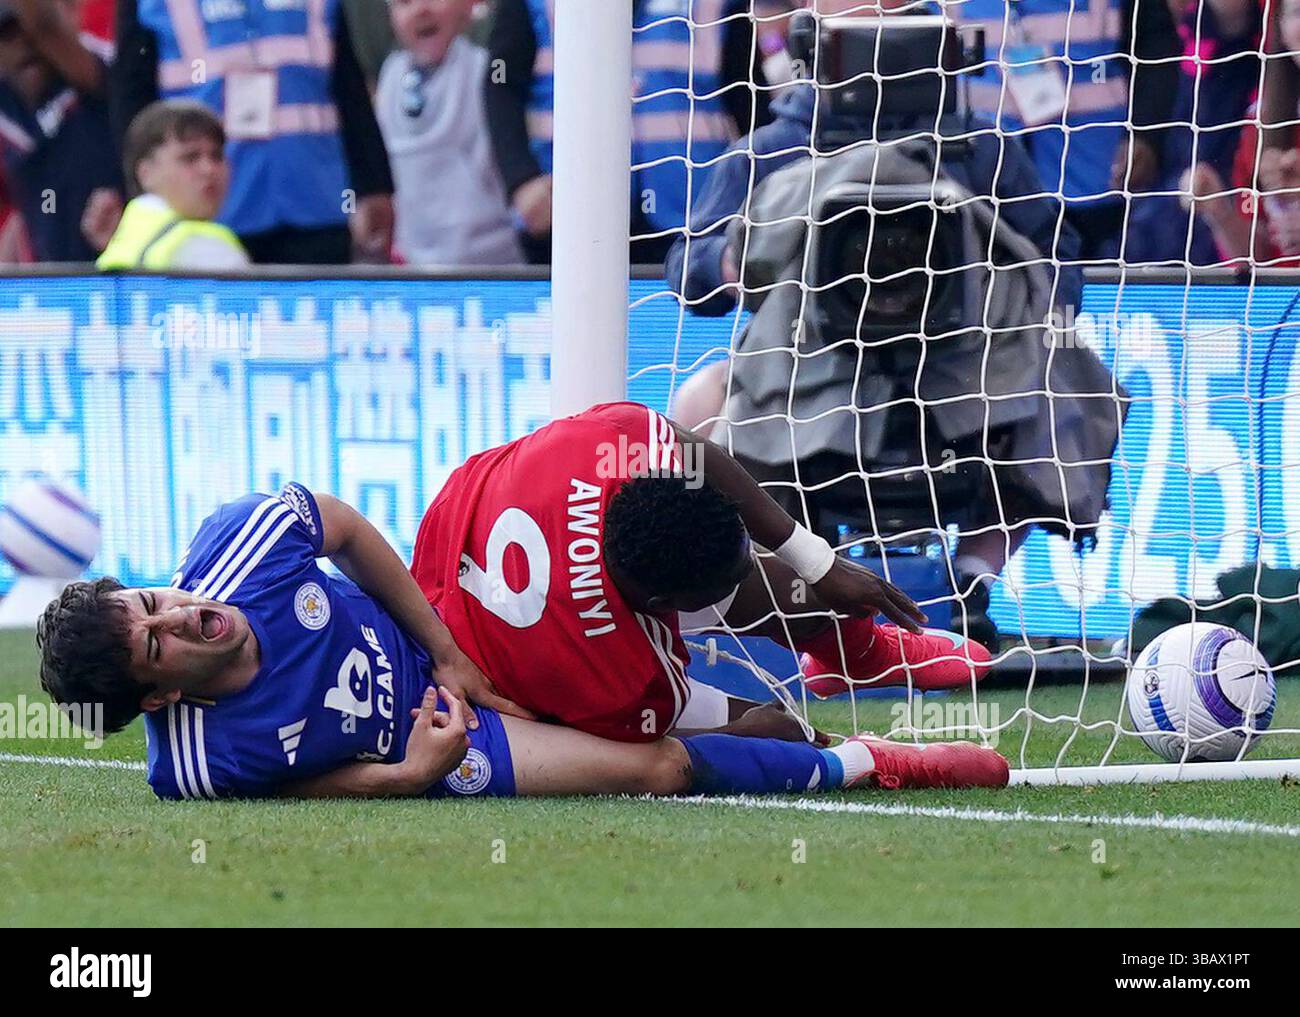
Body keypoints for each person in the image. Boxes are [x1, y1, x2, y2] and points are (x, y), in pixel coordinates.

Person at [35, 482, 1010, 799]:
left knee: (668, 593)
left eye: (154, 601)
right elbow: (287, 782)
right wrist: (409, 772)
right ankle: (866, 760)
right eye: (158, 644)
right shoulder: (195, 763)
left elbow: (340, 525)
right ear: (159, 698)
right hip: (457, 744)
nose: (182, 615)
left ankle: (856, 642)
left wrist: (446, 648)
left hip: (450, 631)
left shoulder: (239, 549)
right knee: (659, 765)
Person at [411, 402, 991, 734]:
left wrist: (818, 563)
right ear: (663, 606)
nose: (751, 568)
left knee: (785, 588)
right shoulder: (619, 680)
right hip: (483, 659)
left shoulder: (607, 445)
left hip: (461, 521)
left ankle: (859, 657)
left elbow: (703, 457)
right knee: (782, 735)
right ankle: (865, 743)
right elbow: (671, 740)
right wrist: (832, 749)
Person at [483, 0, 774, 264]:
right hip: (568, 217)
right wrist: (521, 180)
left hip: (693, 222)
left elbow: (749, 97)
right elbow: (501, 85)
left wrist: (760, 196)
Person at [110, 0, 395, 264]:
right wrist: (129, 190)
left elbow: (347, 82)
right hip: (210, 210)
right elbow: (130, 98)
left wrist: (373, 184)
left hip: (313, 197)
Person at [376, 0, 521, 266]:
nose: (421, 9)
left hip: (496, 268)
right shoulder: (390, 76)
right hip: (413, 269)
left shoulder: (488, 72)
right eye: (404, 2)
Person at [0, 0, 120, 261]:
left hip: (122, 274)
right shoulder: (7, 109)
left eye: (30, 31)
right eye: (8, 33)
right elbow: (25, 208)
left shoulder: (98, 71)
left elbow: (45, 24)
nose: (27, 44)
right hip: (54, 287)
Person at [97, 99, 249, 270]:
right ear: (146, 173)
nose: (209, 169)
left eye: (217, 156)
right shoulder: (207, 248)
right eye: (190, 157)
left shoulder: (127, 237)